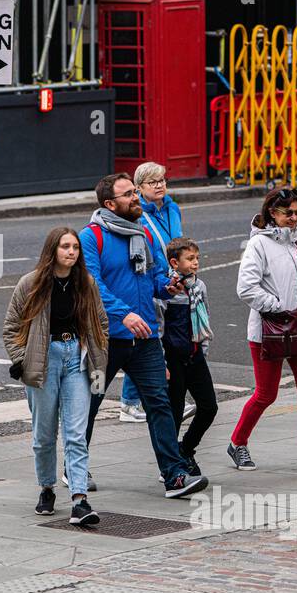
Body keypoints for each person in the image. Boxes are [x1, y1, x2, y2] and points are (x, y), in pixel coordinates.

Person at [80, 173, 207, 499]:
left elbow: (153, 281)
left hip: (146, 338)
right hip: (105, 339)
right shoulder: (91, 236)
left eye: (135, 192)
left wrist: (168, 287)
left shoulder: (143, 235)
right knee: (88, 406)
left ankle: (174, 475)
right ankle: (75, 468)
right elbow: (93, 287)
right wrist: (125, 313)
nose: (135, 197)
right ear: (110, 204)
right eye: (127, 194)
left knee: (159, 404)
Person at [229, 187, 297, 475]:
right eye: (288, 212)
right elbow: (246, 289)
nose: (294, 217)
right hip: (270, 330)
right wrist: (277, 307)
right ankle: (237, 442)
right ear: (272, 214)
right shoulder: (259, 245)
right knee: (266, 394)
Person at [4, 227, 108, 525]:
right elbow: (11, 328)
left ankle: (79, 500)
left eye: (75, 247)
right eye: (65, 247)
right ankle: (47, 487)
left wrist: (99, 361)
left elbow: (101, 323)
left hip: (76, 357)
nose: (71, 252)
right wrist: (23, 360)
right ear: (53, 250)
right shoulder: (32, 283)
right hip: (43, 360)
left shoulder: (86, 283)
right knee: (44, 435)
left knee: (76, 434)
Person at [119, 161, 185, 423]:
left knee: (168, 341)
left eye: (162, 180)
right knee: (148, 340)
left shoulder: (172, 208)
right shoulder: (138, 214)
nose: (159, 186)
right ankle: (129, 404)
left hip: (174, 280)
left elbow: (177, 240)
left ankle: (161, 398)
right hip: (153, 282)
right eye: (152, 182)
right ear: (139, 188)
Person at [160, 237, 217, 476]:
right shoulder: (166, 290)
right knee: (174, 411)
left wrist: (202, 350)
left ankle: (186, 449)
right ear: (174, 262)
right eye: (190, 259)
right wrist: (161, 361)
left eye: (197, 258)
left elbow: (204, 316)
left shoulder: (199, 286)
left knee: (209, 407)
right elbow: (159, 326)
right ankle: (170, 465)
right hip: (173, 359)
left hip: (194, 355)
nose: (195, 263)